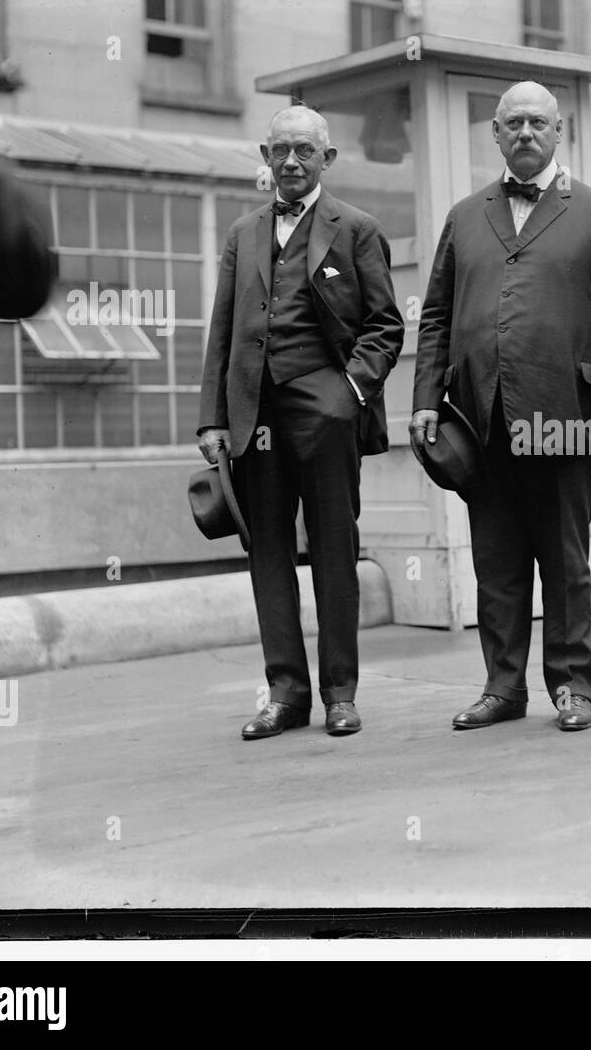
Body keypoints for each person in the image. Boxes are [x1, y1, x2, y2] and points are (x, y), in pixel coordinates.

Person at [411, 81, 591, 733]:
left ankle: (573, 687)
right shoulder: (464, 215)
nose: (526, 133)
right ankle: (502, 687)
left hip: (566, 417)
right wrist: (427, 397)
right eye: (513, 123)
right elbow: (435, 316)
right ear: (496, 134)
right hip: (479, 418)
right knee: (497, 560)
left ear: (560, 131)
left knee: (566, 558)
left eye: (539, 122)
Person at [198, 106, 404, 740]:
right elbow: (224, 329)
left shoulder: (357, 229)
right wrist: (212, 418)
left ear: (327, 159)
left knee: (335, 552)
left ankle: (340, 692)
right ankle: (286, 694)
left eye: (304, 152)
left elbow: (385, 325)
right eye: (280, 150)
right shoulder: (242, 234)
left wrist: (347, 391)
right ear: (265, 154)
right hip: (253, 418)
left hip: (327, 416)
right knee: (267, 555)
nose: (291, 162)